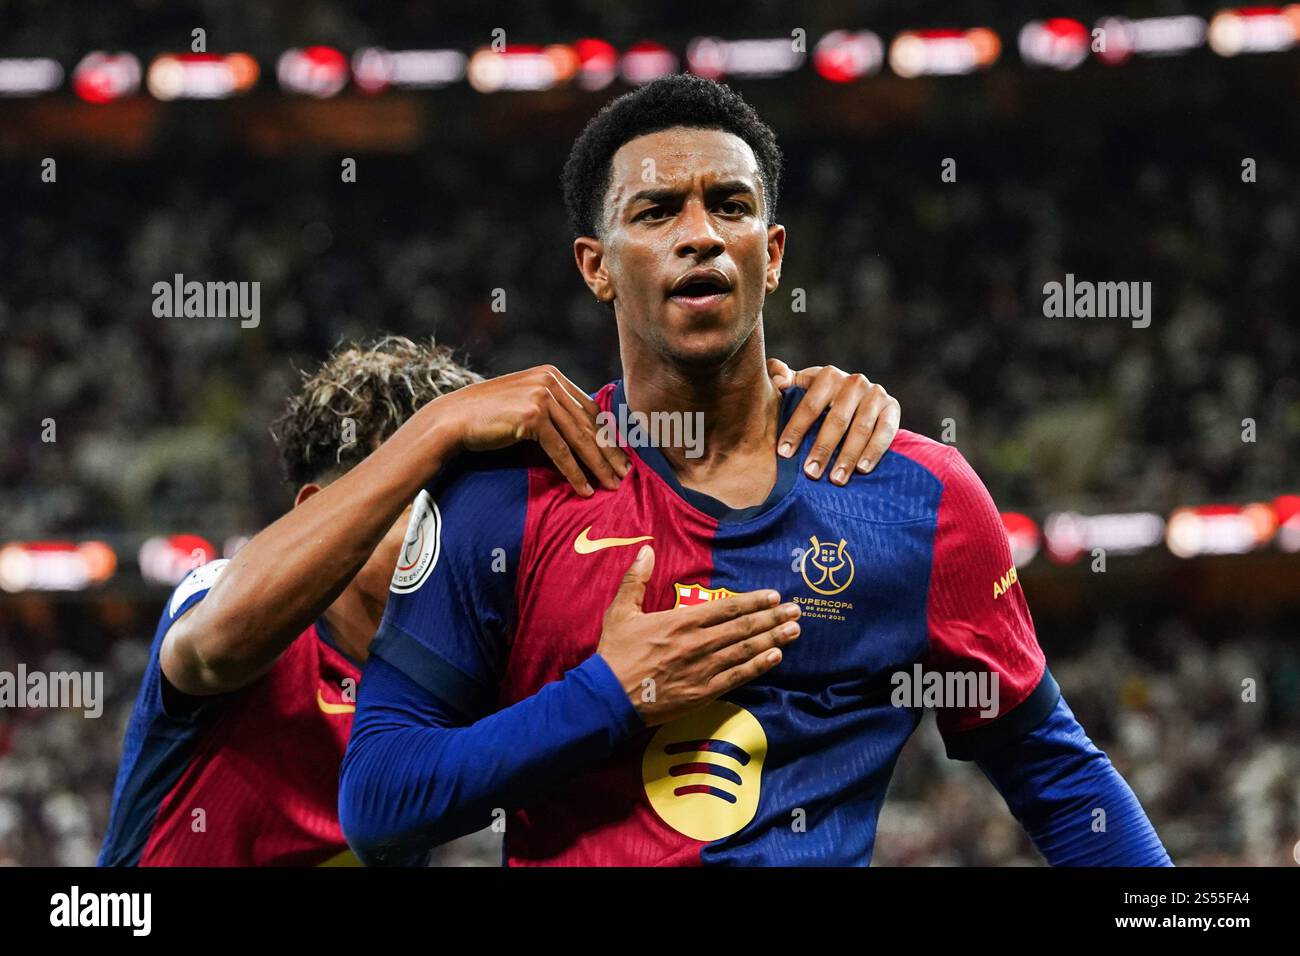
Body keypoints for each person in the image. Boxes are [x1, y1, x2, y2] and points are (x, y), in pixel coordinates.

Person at [339, 76, 1171, 867]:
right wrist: (608, 696)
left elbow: (1055, 776)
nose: (700, 233)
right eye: (657, 211)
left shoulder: (919, 497)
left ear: (771, 255)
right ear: (596, 267)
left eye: (730, 206)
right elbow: (380, 805)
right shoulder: (503, 493)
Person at [99, 334, 902, 865]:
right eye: (423, 507)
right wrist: (438, 429)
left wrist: (785, 411)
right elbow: (216, 644)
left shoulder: (472, 664)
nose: (454, 537)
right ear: (321, 511)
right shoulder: (225, 600)